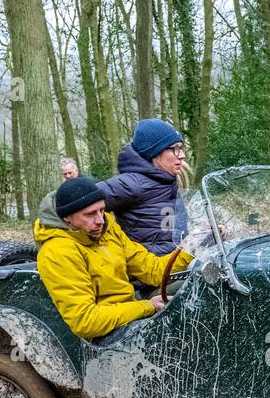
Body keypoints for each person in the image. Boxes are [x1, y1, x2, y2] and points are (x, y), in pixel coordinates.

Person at [35, 176, 191, 341]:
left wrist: (192, 247)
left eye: (102, 210)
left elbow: (153, 270)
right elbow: (86, 321)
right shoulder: (57, 251)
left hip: (129, 311)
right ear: (67, 218)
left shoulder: (107, 228)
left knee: (193, 288)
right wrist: (147, 307)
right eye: (89, 214)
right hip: (103, 334)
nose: (100, 220)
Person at [96, 119, 190, 256]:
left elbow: (174, 232)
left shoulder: (169, 182)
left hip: (177, 267)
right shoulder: (132, 184)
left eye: (181, 148)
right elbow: (72, 200)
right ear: (154, 153)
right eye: (174, 149)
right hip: (146, 272)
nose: (182, 155)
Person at [34, 158, 81, 235]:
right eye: (65, 174)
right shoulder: (62, 188)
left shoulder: (88, 183)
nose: (68, 176)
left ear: (76, 170)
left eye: (70, 173)